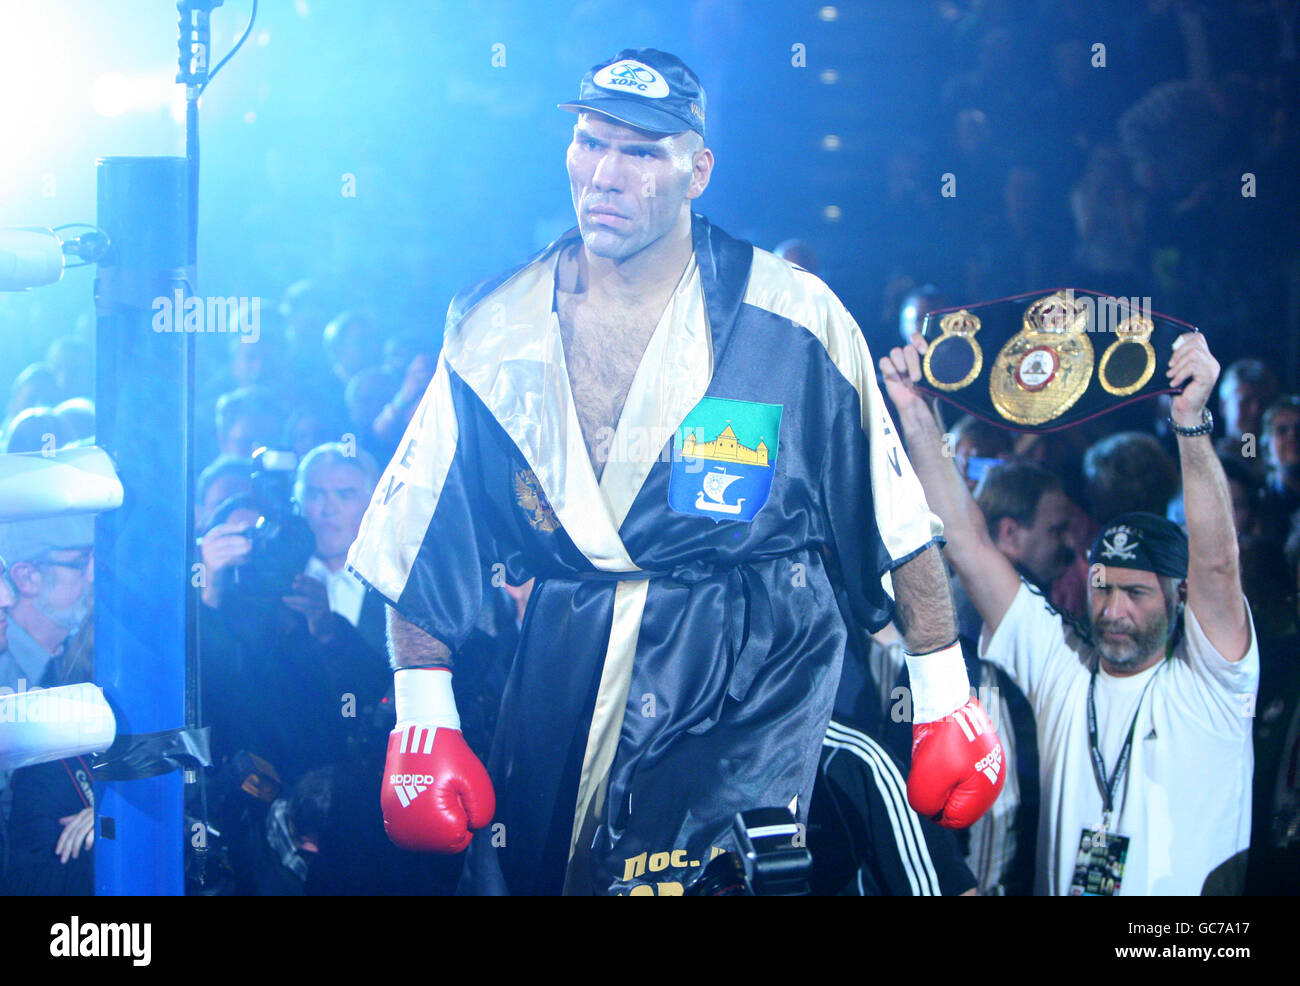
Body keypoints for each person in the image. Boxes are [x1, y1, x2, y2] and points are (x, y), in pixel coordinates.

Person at [346, 48, 1004, 896]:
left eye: (641, 153)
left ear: (698, 172)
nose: (606, 175)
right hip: (566, 669)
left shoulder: (792, 317)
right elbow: (421, 534)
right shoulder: (490, 327)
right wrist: (422, 718)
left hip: (751, 676)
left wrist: (944, 691)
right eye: (591, 143)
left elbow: (894, 518)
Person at [880, 328, 1258, 895]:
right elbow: (966, 541)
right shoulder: (1065, 663)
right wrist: (915, 413)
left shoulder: (1214, 683)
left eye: (1137, 593)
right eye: (1103, 587)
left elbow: (1217, 566)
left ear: (1179, 597)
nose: (1113, 609)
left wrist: (1191, 424)